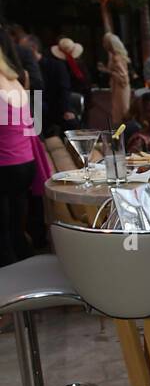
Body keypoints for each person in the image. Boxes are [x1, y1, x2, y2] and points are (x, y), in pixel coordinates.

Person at [0, 29, 36, 267]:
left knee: (2, 234)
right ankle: (26, 271)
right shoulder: (18, 80)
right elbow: (34, 123)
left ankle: (10, 287)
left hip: (5, 167)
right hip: (26, 164)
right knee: (16, 227)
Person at [41, 36, 89, 134]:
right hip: (66, 103)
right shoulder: (68, 66)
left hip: (69, 103)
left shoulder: (57, 67)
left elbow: (64, 88)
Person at [98, 33, 132, 127]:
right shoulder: (114, 55)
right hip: (118, 85)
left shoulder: (116, 58)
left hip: (121, 86)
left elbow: (123, 76)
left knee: (121, 111)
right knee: (118, 110)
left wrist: (107, 71)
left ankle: (123, 133)